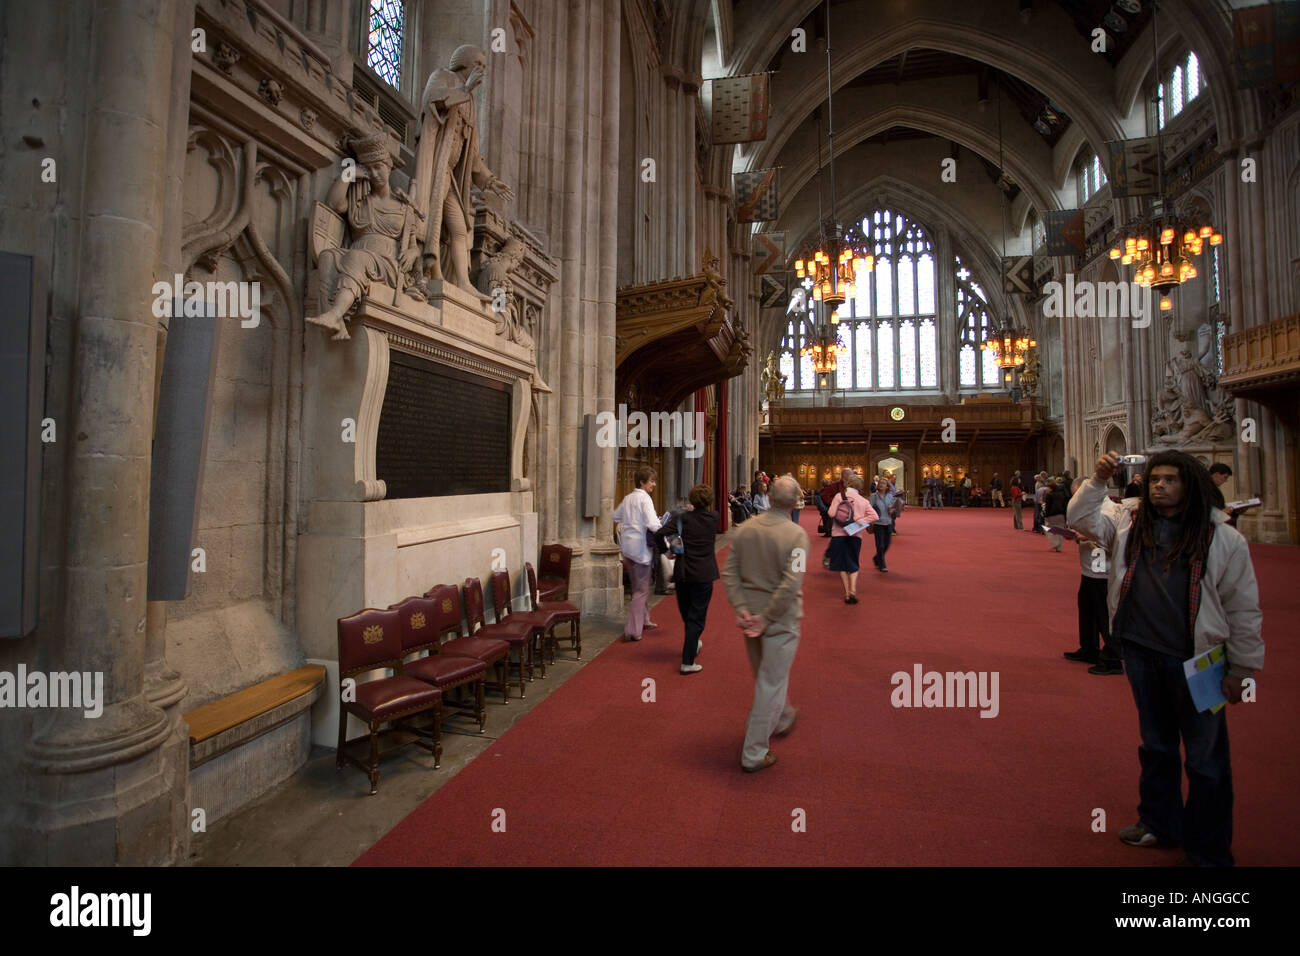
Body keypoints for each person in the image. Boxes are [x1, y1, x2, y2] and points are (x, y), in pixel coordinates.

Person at [1068, 450, 1263, 867]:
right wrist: (1098, 481)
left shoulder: (1223, 538)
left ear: (1189, 485)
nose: (1159, 486)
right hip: (1141, 652)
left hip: (1201, 660)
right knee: (1156, 746)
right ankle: (1158, 822)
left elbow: (1243, 608)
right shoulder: (1129, 522)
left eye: (1171, 479)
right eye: (1155, 479)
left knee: (1207, 760)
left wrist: (1244, 668)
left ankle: (1208, 847)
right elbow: (1081, 520)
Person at [720, 476, 809, 773]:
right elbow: (791, 584)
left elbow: (730, 574)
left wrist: (743, 608)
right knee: (769, 683)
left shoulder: (745, 529)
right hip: (779, 620)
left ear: (768, 498)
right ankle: (754, 752)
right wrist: (766, 617)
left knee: (768, 678)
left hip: (750, 619)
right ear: (796, 501)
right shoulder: (797, 536)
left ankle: (783, 717)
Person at [654, 485, 718, 674]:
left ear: (691, 500)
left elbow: (659, 534)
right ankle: (687, 662)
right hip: (704, 573)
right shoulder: (714, 518)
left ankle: (693, 642)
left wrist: (666, 551)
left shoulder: (681, 518)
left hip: (683, 572)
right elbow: (703, 515)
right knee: (696, 617)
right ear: (709, 501)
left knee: (687, 613)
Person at [1064, 500, 1124, 675]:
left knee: (1104, 616)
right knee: (1087, 611)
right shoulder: (1094, 512)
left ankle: (1113, 658)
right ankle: (1089, 648)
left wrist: (1087, 536)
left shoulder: (1107, 514)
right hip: (1090, 570)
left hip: (1102, 572)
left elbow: (1113, 541)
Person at [611, 468, 661, 642]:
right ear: (642, 482)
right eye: (651, 481)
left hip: (627, 548)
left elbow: (616, 516)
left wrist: (631, 522)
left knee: (638, 588)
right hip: (640, 549)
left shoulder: (627, 498)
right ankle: (633, 630)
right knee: (641, 590)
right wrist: (665, 531)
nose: (654, 484)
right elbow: (653, 524)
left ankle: (644, 619)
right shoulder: (644, 499)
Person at [826, 475, 879, 602]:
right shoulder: (863, 500)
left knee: (842, 565)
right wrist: (858, 523)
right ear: (860, 486)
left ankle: (847, 593)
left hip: (838, 534)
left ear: (847, 484)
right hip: (855, 535)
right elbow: (875, 516)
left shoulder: (839, 496)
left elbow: (831, 514)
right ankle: (853, 590)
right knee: (853, 562)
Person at [868, 477, 897, 572]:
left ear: (887, 486)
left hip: (888, 522)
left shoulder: (890, 496)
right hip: (878, 523)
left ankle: (877, 558)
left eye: (883, 484)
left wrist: (893, 510)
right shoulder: (873, 496)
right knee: (879, 545)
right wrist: (870, 521)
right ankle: (882, 564)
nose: (881, 485)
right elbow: (869, 509)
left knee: (887, 544)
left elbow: (893, 508)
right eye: (880, 483)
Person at [1208, 463, 1242, 529]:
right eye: (1225, 477)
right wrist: (1222, 512)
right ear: (1216, 475)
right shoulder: (1205, 488)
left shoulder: (1212, 487)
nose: (1225, 481)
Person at [1044, 476, 1069, 552]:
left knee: (1048, 530)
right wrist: (1065, 515)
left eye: (1047, 487)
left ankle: (1055, 543)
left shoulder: (1049, 495)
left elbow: (1048, 506)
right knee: (1060, 531)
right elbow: (1064, 505)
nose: (1046, 489)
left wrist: (1046, 515)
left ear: (1050, 488)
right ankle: (1059, 548)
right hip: (1061, 514)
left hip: (1052, 515)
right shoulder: (1061, 494)